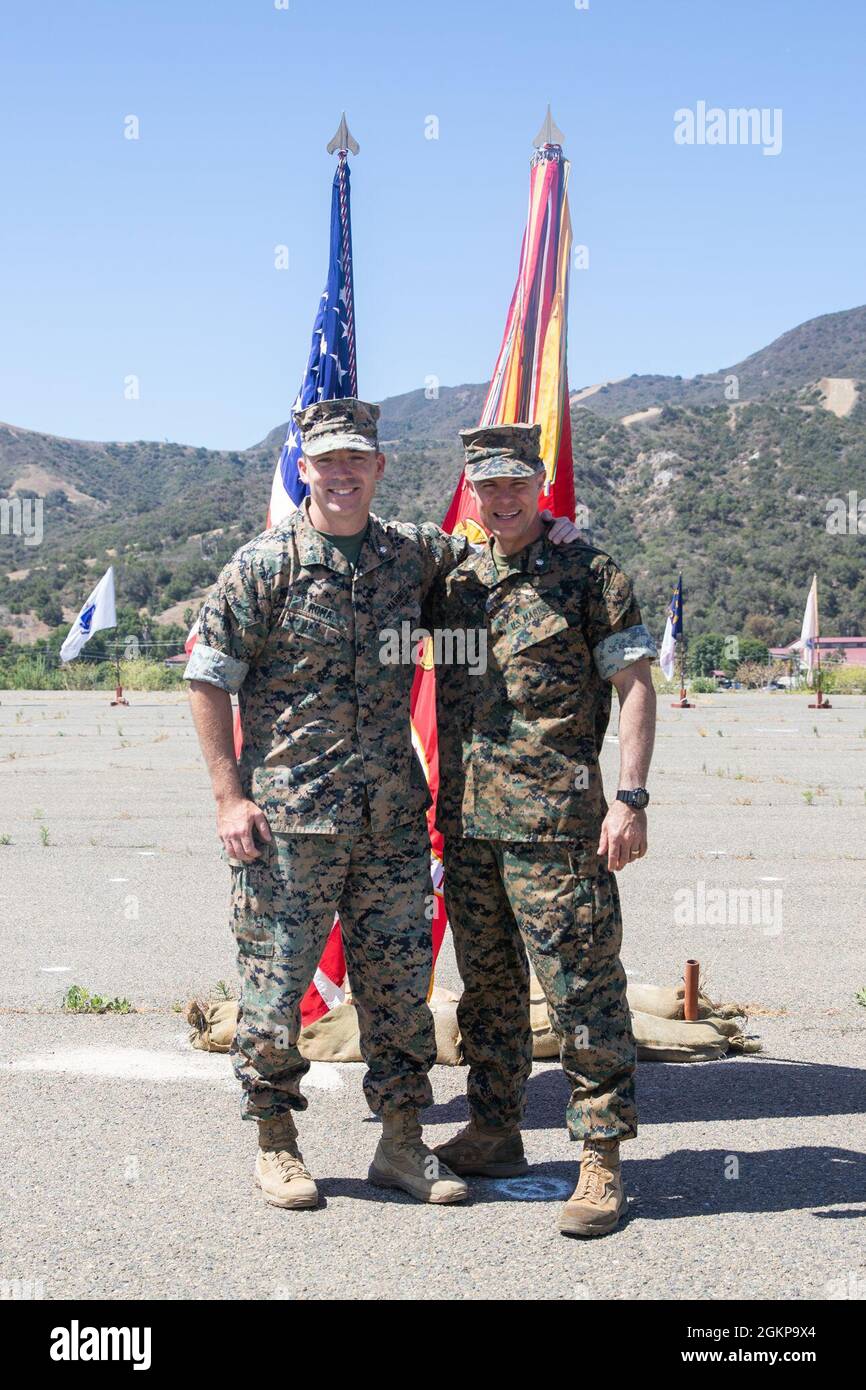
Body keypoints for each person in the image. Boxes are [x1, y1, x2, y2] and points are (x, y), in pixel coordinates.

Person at [184, 399, 579, 1211]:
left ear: (378, 468)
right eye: (326, 460)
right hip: (287, 825)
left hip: (393, 821)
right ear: (306, 467)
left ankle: (401, 1143)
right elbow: (206, 674)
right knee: (273, 990)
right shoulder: (265, 565)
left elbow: (496, 553)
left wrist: (553, 534)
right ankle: (277, 1144)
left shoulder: (411, 555)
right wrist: (228, 794)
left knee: (399, 993)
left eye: (355, 460)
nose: (341, 473)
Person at [429, 422, 657, 1238]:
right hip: (468, 824)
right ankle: (495, 1132)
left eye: (515, 482)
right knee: (488, 989)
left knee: (582, 990)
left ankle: (601, 1154)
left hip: (559, 825)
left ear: (540, 481)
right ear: (472, 491)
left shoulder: (590, 573)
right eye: (486, 486)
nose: (502, 498)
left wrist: (629, 797)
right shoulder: (451, 579)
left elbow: (633, 685)